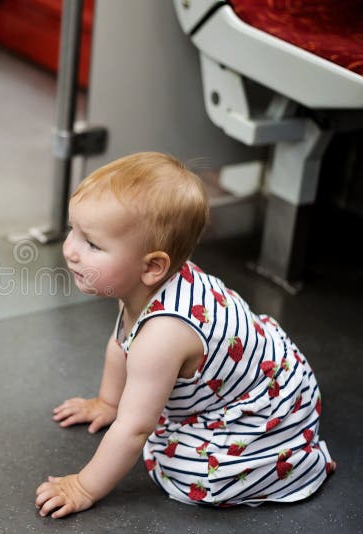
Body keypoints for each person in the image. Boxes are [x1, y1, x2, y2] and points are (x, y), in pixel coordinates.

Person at [34, 152, 334, 519]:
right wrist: (108, 403)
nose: (70, 250)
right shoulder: (146, 287)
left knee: (191, 473)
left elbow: (134, 429)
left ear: (152, 266)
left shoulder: (162, 335)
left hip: (262, 416)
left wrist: (83, 486)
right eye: (72, 230)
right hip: (271, 372)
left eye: (92, 244)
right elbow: (120, 343)